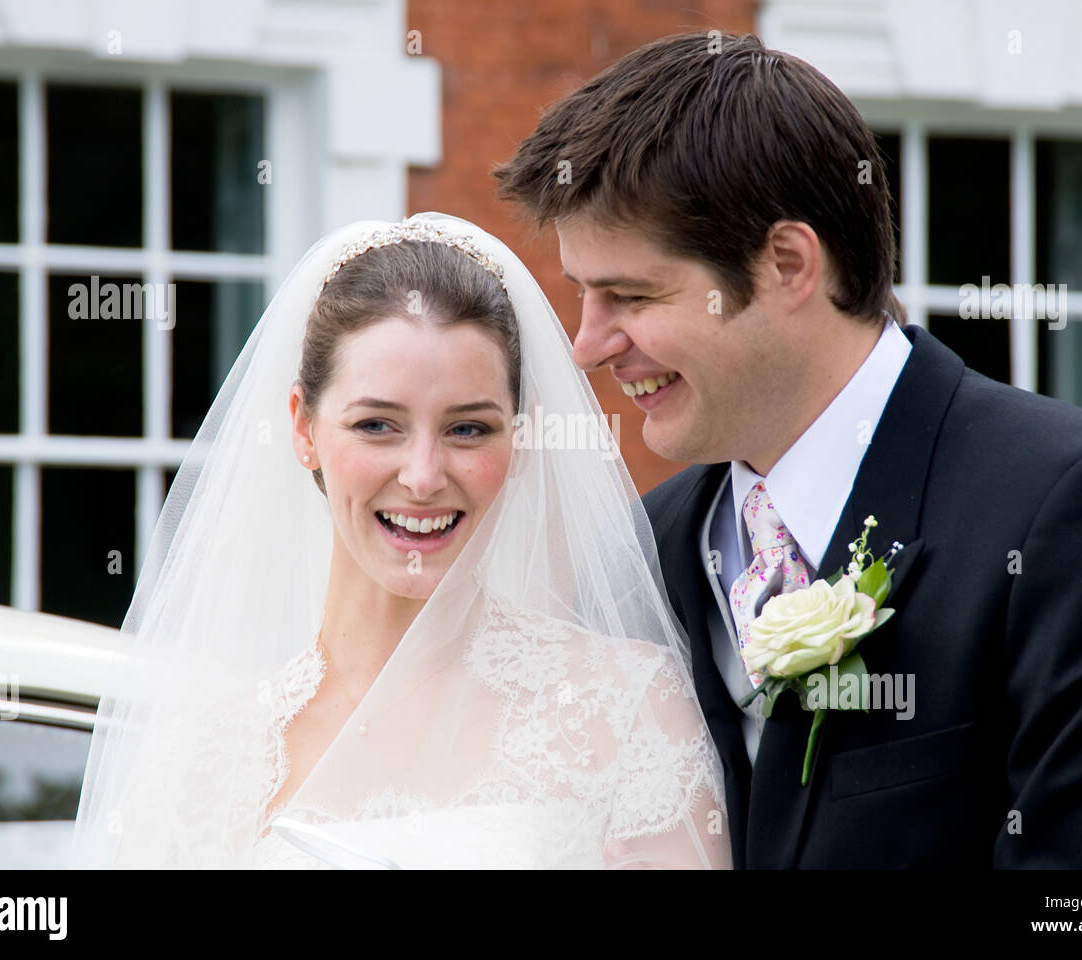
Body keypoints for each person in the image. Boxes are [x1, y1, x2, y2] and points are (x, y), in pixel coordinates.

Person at [494, 31, 1082, 868]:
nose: (587, 346)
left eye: (632, 295)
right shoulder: (639, 556)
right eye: (584, 296)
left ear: (790, 264)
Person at [70, 213, 730, 869]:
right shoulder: (201, 766)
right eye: (377, 425)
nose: (422, 477)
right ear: (303, 428)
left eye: (468, 430)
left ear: (521, 436)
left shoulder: (626, 709)